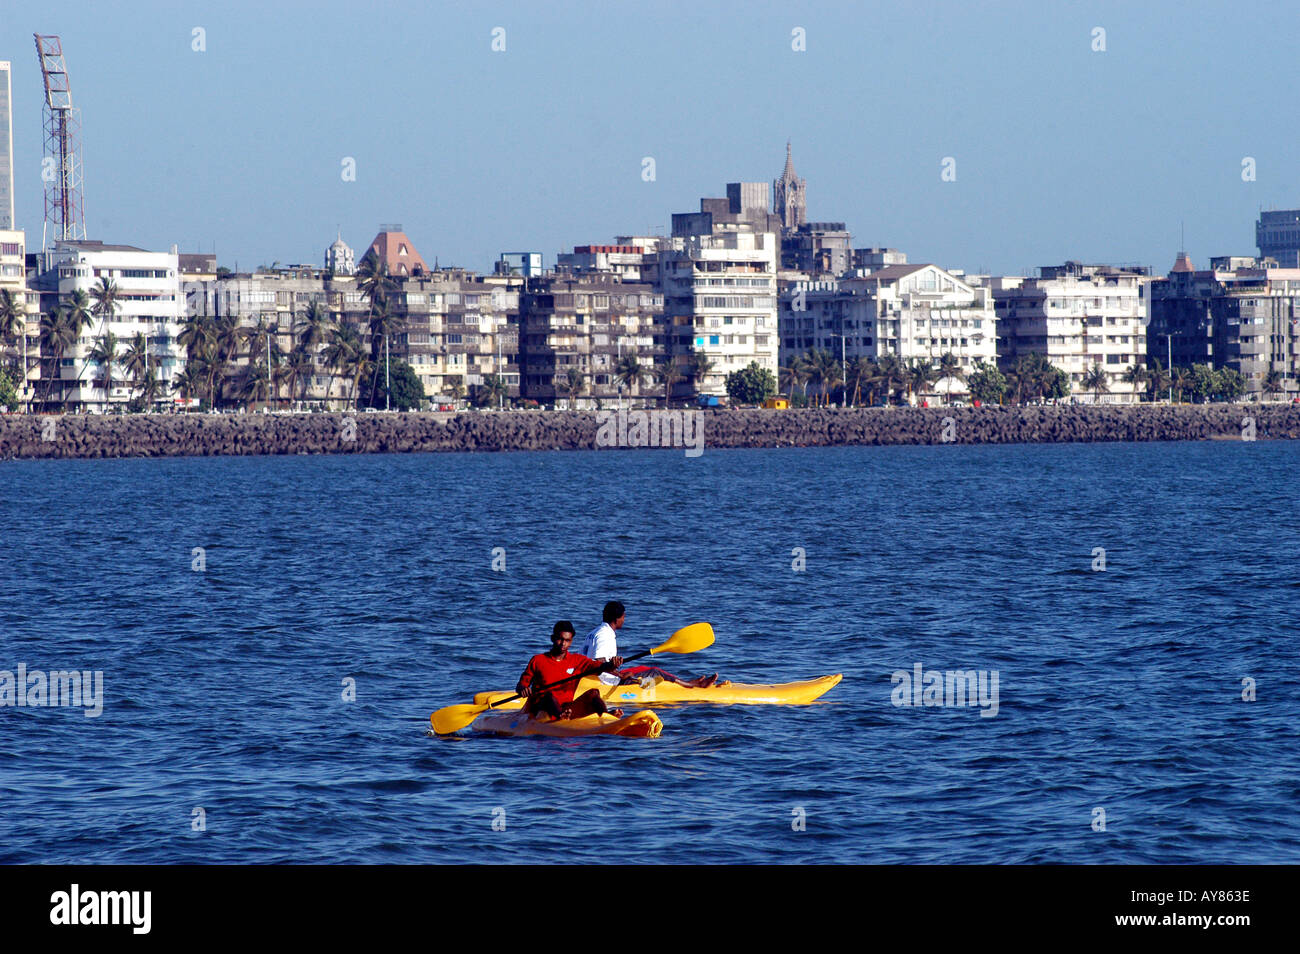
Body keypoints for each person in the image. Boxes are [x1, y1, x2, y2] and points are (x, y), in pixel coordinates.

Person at [581, 601, 722, 689]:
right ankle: (692, 685)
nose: (624, 620)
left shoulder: (593, 632)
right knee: (655, 671)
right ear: (617, 618)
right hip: (607, 682)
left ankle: (687, 683)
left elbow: (585, 662)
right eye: (624, 617)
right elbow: (597, 663)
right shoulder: (605, 635)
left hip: (596, 678)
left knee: (643, 668)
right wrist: (620, 675)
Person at [517, 621, 624, 720]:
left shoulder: (577, 660)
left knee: (593, 693)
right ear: (553, 638)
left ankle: (606, 716)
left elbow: (601, 667)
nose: (563, 644)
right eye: (560, 639)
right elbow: (521, 685)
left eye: (567, 640)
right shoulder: (538, 660)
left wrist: (612, 664)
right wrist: (523, 689)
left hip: (566, 708)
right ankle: (560, 717)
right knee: (548, 696)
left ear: (571, 641)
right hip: (542, 709)